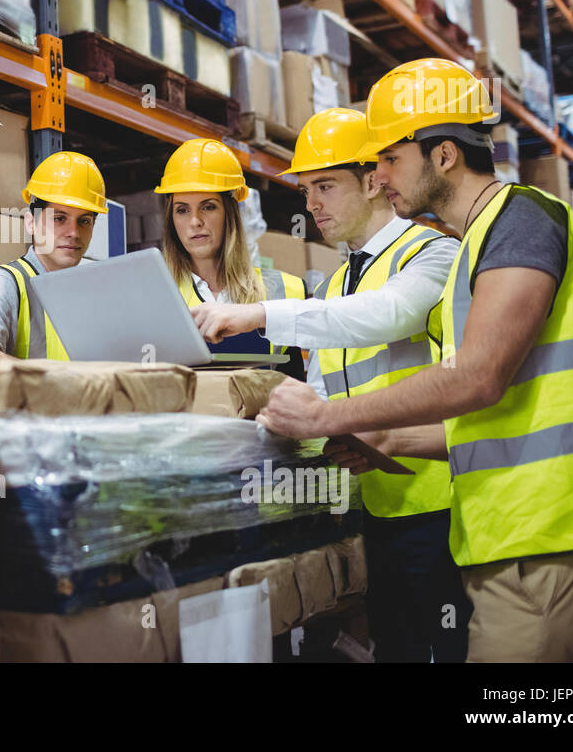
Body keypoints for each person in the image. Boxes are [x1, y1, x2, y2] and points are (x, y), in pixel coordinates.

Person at [259, 58, 573, 662]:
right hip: (515, 533)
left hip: (550, 527)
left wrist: (324, 417)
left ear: (443, 155)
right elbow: (497, 418)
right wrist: (385, 441)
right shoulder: (479, 245)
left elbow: (478, 378)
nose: (379, 175)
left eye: (390, 158)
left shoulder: (521, 218)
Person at [192, 108, 469, 661]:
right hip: (376, 505)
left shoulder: (431, 252)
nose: (310, 203)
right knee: (396, 649)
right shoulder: (342, 279)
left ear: (372, 181)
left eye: (324, 185)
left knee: (455, 648)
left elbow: (387, 315)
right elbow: (328, 385)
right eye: (305, 189)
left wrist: (261, 314)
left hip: (440, 503)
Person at [155, 137, 306, 380]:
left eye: (208, 207)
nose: (195, 221)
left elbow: (295, 385)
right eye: (182, 210)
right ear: (171, 221)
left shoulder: (283, 290)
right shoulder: (155, 293)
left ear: (230, 213)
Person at [0, 151, 106, 358]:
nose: (74, 233)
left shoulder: (93, 294)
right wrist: (52, 379)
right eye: (59, 218)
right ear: (31, 222)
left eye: (84, 221)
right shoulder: (5, 283)